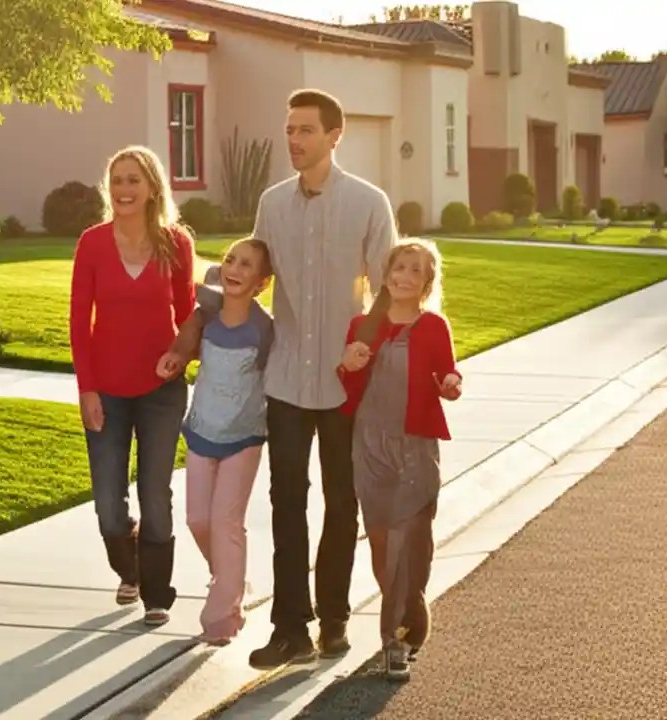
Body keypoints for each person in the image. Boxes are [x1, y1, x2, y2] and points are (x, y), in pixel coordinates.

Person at [162, 89, 399, 668]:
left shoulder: (370, 204)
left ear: (334, 136)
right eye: (289, 129)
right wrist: (191, 330)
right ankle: (291, 626)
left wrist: (363, 344)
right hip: (286, 380)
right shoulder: (272, 204)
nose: (293, 140)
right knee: (286, 502)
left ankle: (335, 617)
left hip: (346, 385)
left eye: (305, 131)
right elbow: (241, 273)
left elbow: (389, 288)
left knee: (343, 505)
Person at [69, 145, 196, 627]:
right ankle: (130, 567)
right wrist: (87, 389)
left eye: (133, 180)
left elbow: (186, 317)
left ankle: (158, 593)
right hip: (107, 390)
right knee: (107, 503)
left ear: (151, 188)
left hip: (161, 391)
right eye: (117, 180)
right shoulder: (93, 244)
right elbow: (80, 323)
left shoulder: (175, 243)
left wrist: (182, 356)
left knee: (155, 489)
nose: (124, 189)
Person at [337, 239, 462, 681]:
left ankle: (395, 637)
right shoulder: (363, 325)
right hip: (369, 445)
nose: (405, 276)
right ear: (386, 273)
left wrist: (450, 382)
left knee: (412, 540)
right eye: (399, 267)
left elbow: (448, 371)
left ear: (427, 282)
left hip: (415, 446)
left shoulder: (433, 327)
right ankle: (407, 617)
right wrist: (347, 366)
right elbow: (347, 392)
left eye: (415, 271)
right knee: (381, 543)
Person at [160, 238, 274, 645]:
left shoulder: (265, 329)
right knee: (197, 520)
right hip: (202, 431)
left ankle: (221, 614)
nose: (235, 269)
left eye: (247, 265)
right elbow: (184, 345)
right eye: (230, 260)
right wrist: (174, 356)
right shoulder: (206, 316)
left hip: (244, 437)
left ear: (261, 283)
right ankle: (230, 578)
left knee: (226, 523)